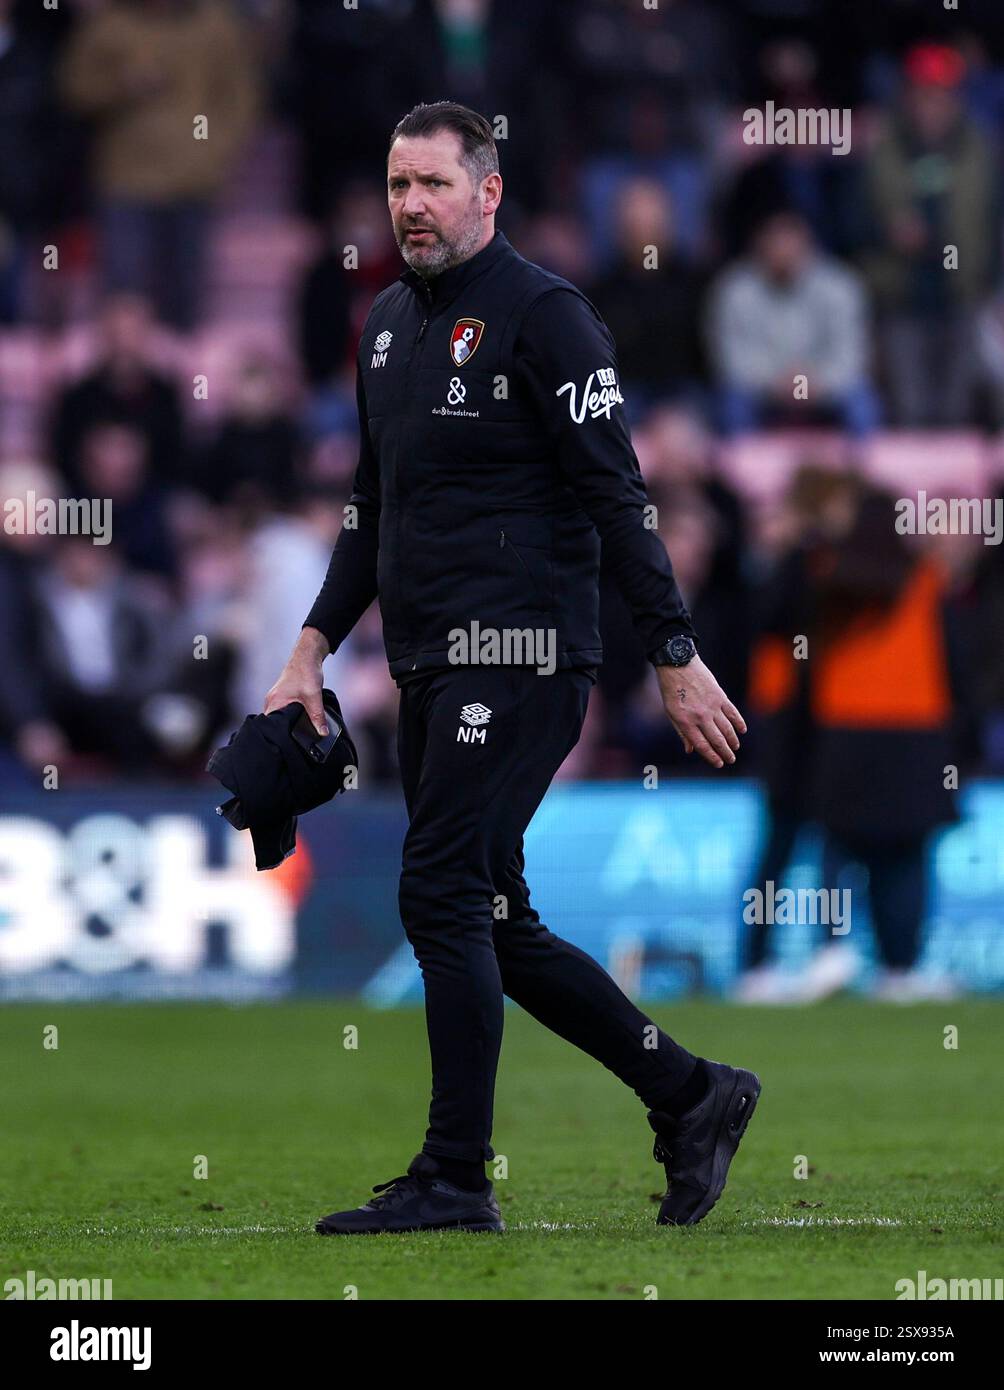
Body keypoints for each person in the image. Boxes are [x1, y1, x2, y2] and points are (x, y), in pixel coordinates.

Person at [265, 102, 757, 1236]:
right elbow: (368, 506)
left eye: (434, 184)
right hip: (431, 659)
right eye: (397, 185)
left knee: (438, 889)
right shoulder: (384, 326)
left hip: (525, 651)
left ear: (488, 193)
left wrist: (673, 654)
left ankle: (453, 1175)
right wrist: (310, 643)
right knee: (492, 912)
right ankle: (691, 1093)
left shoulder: (548, 317)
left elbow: (617, 495)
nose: (411, 206)